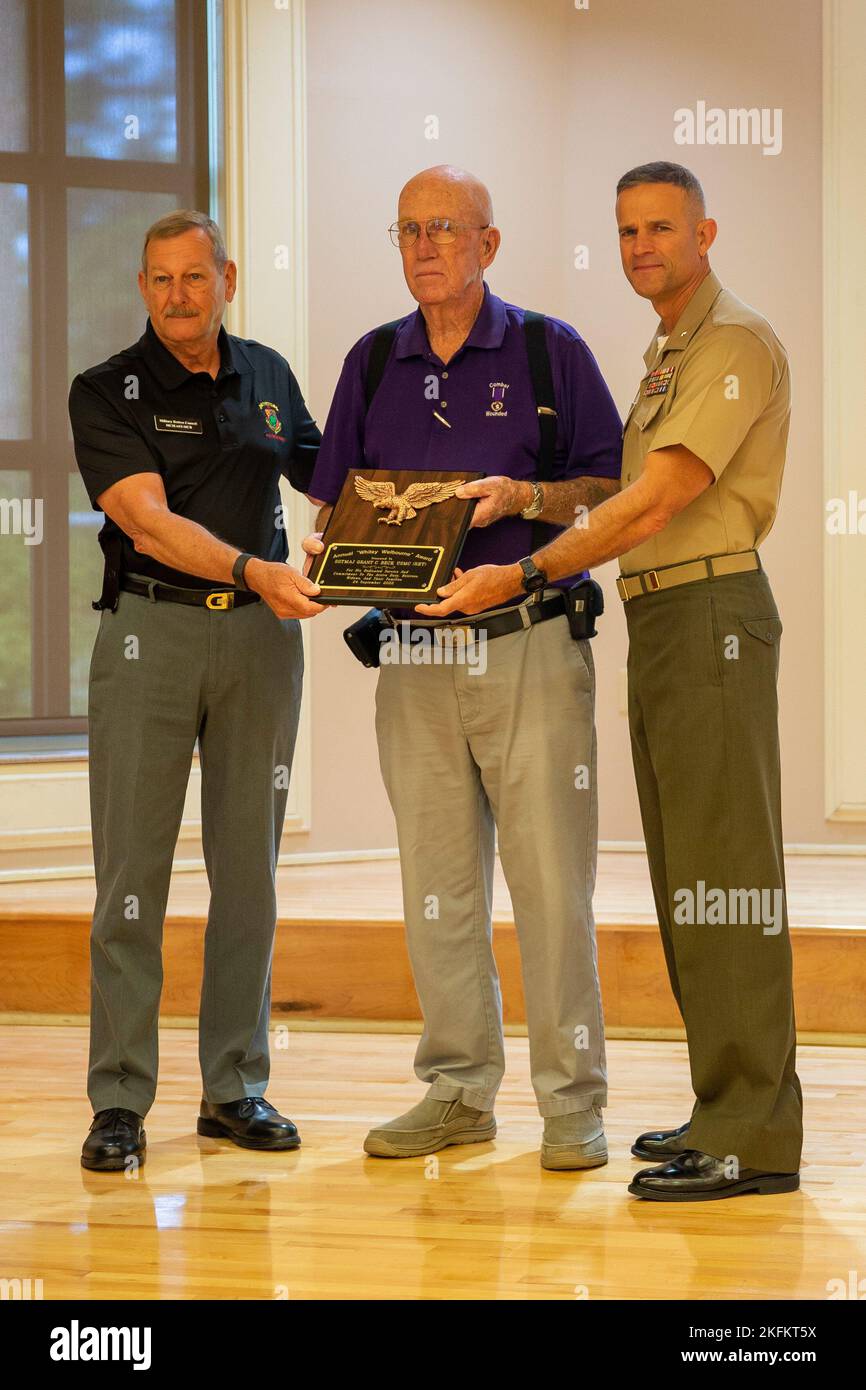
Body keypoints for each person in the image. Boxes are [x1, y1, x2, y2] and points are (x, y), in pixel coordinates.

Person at [425, 162, 802, 1202]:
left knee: (729, 878)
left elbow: (659, 500)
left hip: (711, 611)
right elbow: (617, 492)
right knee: (691, 876)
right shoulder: (664, 356)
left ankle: (753, 1135)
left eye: (659, 229)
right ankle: (722, 1107)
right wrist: (530, 495)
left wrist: (527, 564)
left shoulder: (732, 346)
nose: (640, 247)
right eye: (626, 230)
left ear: (703, 233)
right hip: (666, 619)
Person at [304, 165, 622, 1169]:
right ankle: (454, 1091)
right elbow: (334, 504)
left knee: (549, 888)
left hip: (525, 644)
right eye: (406, 230)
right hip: (410, 654)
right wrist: (334, 551)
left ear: (488, 244)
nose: (424, 246)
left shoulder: (545, 350)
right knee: (436, 886)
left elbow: (607, 496)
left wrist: (520, 496)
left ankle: (571, 1105)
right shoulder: (370, 359)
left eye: (444, 228)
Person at [69, 210, 325, 1171]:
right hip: (153, 635)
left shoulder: (267, 374)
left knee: (248, 867)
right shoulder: (105, 390)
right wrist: (255, 569)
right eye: (160, 280)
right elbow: (146, 519)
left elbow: (325, 475)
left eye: (195, 276)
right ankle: (121, 1099)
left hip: (261, 644)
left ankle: (235, 1086)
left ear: (227, 277)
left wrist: (367, 535)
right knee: (130, 876)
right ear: (144, 289)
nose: (180, 295)